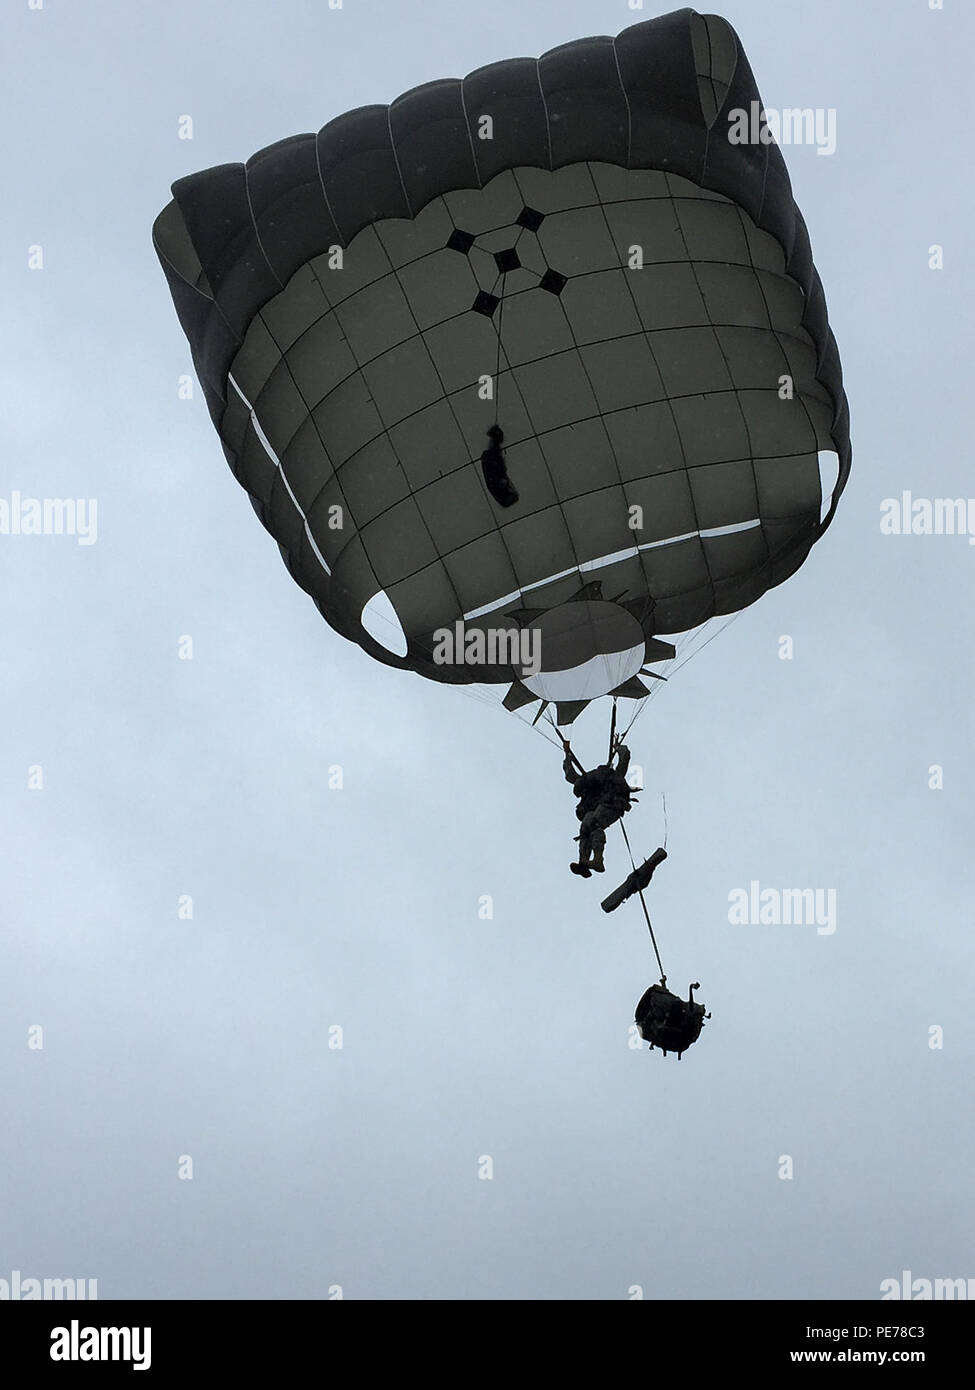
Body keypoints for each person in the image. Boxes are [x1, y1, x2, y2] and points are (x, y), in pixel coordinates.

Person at [563, 734, 633, 876]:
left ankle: (598, 859)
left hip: (614, 802)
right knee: (585, 825)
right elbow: (570, 774)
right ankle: (584, 861)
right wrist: (567, 754)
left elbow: (625, 756)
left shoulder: (613, 778)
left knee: (594, 821)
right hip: (601, 806)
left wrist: (618, 748)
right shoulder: (587, 787)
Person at [480, 425, 519, 507]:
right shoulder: (491, 456)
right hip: (495, 474)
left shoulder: (490, 456)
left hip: (495, 473)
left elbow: (495, 471)